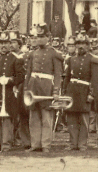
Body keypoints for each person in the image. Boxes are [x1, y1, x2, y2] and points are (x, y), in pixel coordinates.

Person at [24, 23, 63, 153]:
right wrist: (26, 89)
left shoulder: (55, 53)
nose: (39, 39)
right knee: (33, 117)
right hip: (33, 86)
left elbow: (58, 74)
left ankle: (46, 145)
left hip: (47, 87)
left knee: (46, 118)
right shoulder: (32, 53)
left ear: (48, 37)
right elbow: (28, 73)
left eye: (41, 36)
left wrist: (56, 91)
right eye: (37, 36)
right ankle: (35, 144)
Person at [62, 34, 98, 150]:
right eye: (78, 43)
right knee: (72, 118)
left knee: (83, 119)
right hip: (72, 91)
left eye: (83, 44)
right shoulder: (71, 59)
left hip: (84, 91)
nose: (80, 46)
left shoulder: (93, 59)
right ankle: (73, 143)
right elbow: (67, 77)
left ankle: (82, 144)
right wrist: (64, 92)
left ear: (88, 46)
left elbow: (95, 79)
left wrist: (92, 94)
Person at [0, 32, 24, 152]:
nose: (3, 45)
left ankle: (6, 144)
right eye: (1, 43)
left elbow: (20, 77)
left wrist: (10, 80)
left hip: (8, 90)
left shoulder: (15, 59)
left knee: (7, 118)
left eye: (6, 43)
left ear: (10, 44)